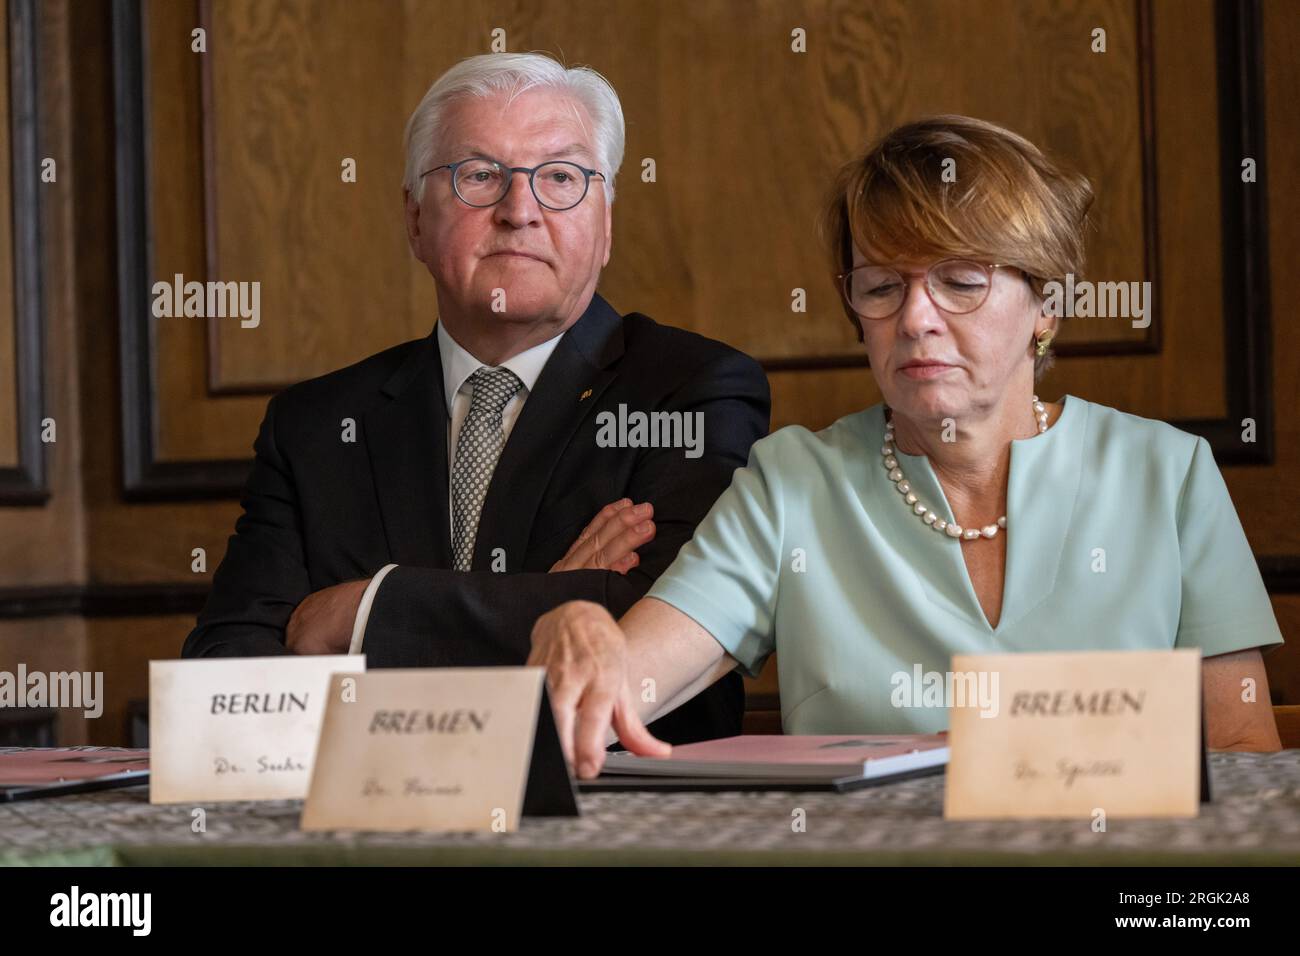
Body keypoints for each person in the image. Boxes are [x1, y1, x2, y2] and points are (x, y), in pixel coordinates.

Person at [529, 116, 1285, 777]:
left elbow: (1245, 750)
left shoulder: (1167, 473)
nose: (916, 318)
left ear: (1045, 308)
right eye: (882, 287)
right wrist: (576, 624)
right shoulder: (795, 483)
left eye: (960, 281)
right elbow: (625, 683)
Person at [182, 53, 770, 745]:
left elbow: (656, 623)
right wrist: (547, 598)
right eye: (480, 176)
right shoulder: (315, 425)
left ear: (605, 221)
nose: (519, 212)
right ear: (414, 220)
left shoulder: (691, 391)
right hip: (366, 829)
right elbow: (226, 681)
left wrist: (365, 611)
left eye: (560, 177)